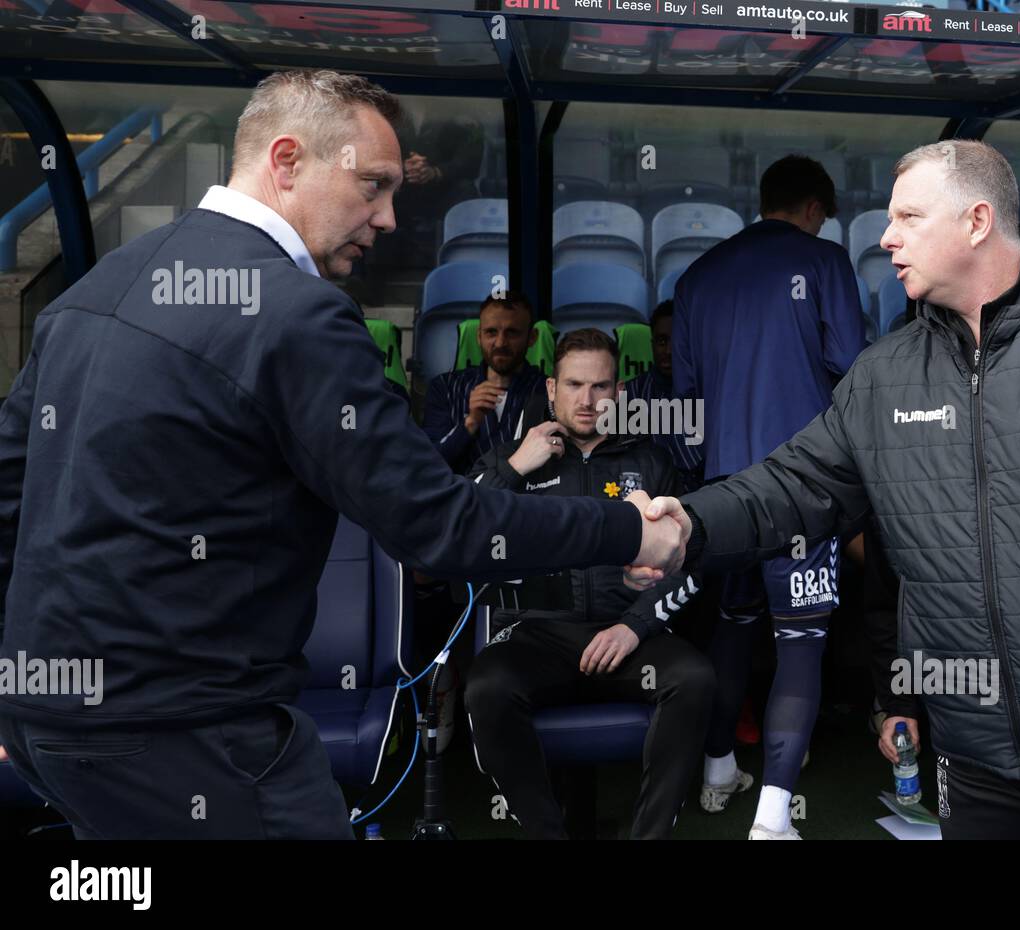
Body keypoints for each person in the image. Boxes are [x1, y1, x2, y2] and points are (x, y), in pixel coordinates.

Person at [0, 70, 685, 840]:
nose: (390, 217)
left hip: (50, 726)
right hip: (193, 736)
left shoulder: (94, 290)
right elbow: (441, 526)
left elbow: (7, 500)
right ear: (287, 161)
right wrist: (630, 530)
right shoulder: (298, 315)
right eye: (372, 186)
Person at [633, 140, 1020, 840]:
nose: (886, 237)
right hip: (973, 757)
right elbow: (792, 486)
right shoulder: (884, 373)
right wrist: (689, 524)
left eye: (909, 217)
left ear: (977, 220)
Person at [673, 154, 865, 839]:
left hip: (725, 492)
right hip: (804, 488)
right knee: (801, 642)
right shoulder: (824, 262)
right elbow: (854, 373)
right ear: (813, 208)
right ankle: (774, 818)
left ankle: (719, 768)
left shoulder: (696, 277)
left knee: (733, 627)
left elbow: (686, 405)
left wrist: (706, 480)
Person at [464, 329, 714, 839]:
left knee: (693, 679)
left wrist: (634, 626)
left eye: (600, 386)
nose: (586, 399)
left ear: (619, 393)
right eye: (574, 385)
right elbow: (459, 530)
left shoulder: (650, 461)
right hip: (537, 634)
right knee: (487, 686)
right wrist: (514, 469)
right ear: (551, 388)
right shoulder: (511, 457)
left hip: (625, 634)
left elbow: (691, 563)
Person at [422, 291, 546, 474]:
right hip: (461, 497)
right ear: (479, 336)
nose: (500, 342)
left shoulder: (548, 391)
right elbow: (429, 465)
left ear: (532, 337)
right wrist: (470, 422)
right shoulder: (446, 388)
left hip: (523, 500)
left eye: (512, 333)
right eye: (491, 332)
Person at [623, 300, 705, 492]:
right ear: (652, 344)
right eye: (661, 341)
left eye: (676, 341)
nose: (668, 351)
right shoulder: (632, 394)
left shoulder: (711, 390)